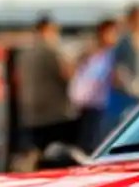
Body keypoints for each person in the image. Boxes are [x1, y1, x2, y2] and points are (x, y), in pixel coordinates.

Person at [19, 13, 78, 153]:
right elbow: (68, 75)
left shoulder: (25, 54)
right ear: (48, 30)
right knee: (58, 155)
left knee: (38, 154)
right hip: (56, 115)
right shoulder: (53, 52)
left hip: (32, 115)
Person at [70, 18, 119, 152]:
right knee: (88, 144)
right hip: (88, 105)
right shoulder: (91, 53)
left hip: (101, 105)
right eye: (111, 33)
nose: (114, 37)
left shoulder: (112, 55)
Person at [107, 3, 139, 131]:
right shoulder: (124, 41)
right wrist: (130, 86)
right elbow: (116, 71)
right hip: (125, 99)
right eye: (137, 18)